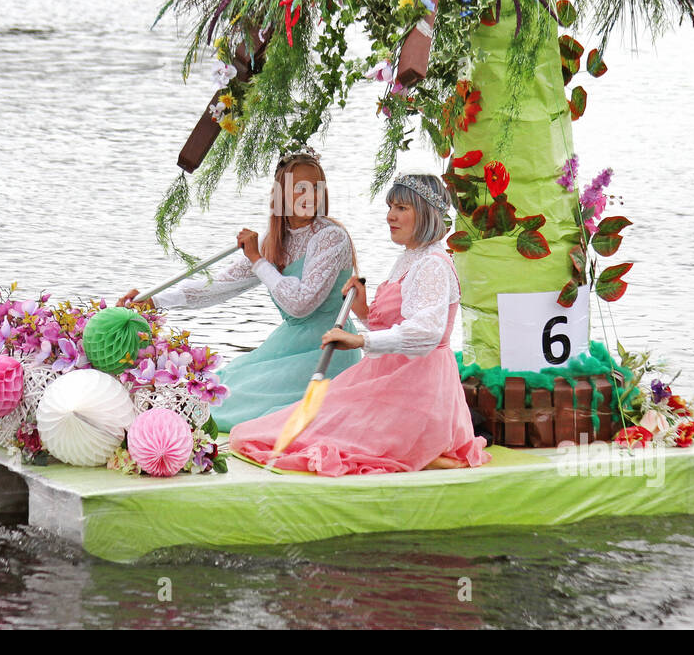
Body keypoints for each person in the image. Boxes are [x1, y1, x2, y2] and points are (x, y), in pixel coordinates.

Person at [229, 173, 491, 475]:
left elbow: (427, 334)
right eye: (390, 207)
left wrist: (360, 341)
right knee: (287, 428)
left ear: (426, 214)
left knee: (319, 437)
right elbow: (395, 330)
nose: (390, 216)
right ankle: (422, 449)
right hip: (393, 377)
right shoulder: (411, 258)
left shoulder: (432, 264)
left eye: (402, 209)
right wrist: (363, 310)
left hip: (419, 388)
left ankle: (428, 446)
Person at [120, 148, 360, 431]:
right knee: (221, 384)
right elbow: (218, 287)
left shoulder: (330, 237)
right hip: (288, 346)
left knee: (236, 406)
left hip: (328, 350)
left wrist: (257, 260)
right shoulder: (275, 241)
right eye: (299, 188)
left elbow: (300, 303)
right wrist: (154, 299)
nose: (309, 195)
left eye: (316, 187)